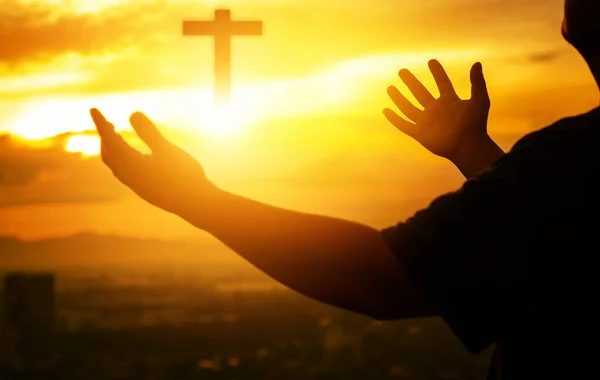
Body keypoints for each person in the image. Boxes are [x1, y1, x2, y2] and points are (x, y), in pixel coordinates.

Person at [91, 1, 599, 378]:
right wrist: (472, 150)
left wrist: (197, 200)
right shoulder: (567, 171)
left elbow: (379, 278)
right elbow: (554, 231)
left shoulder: (576, 159)